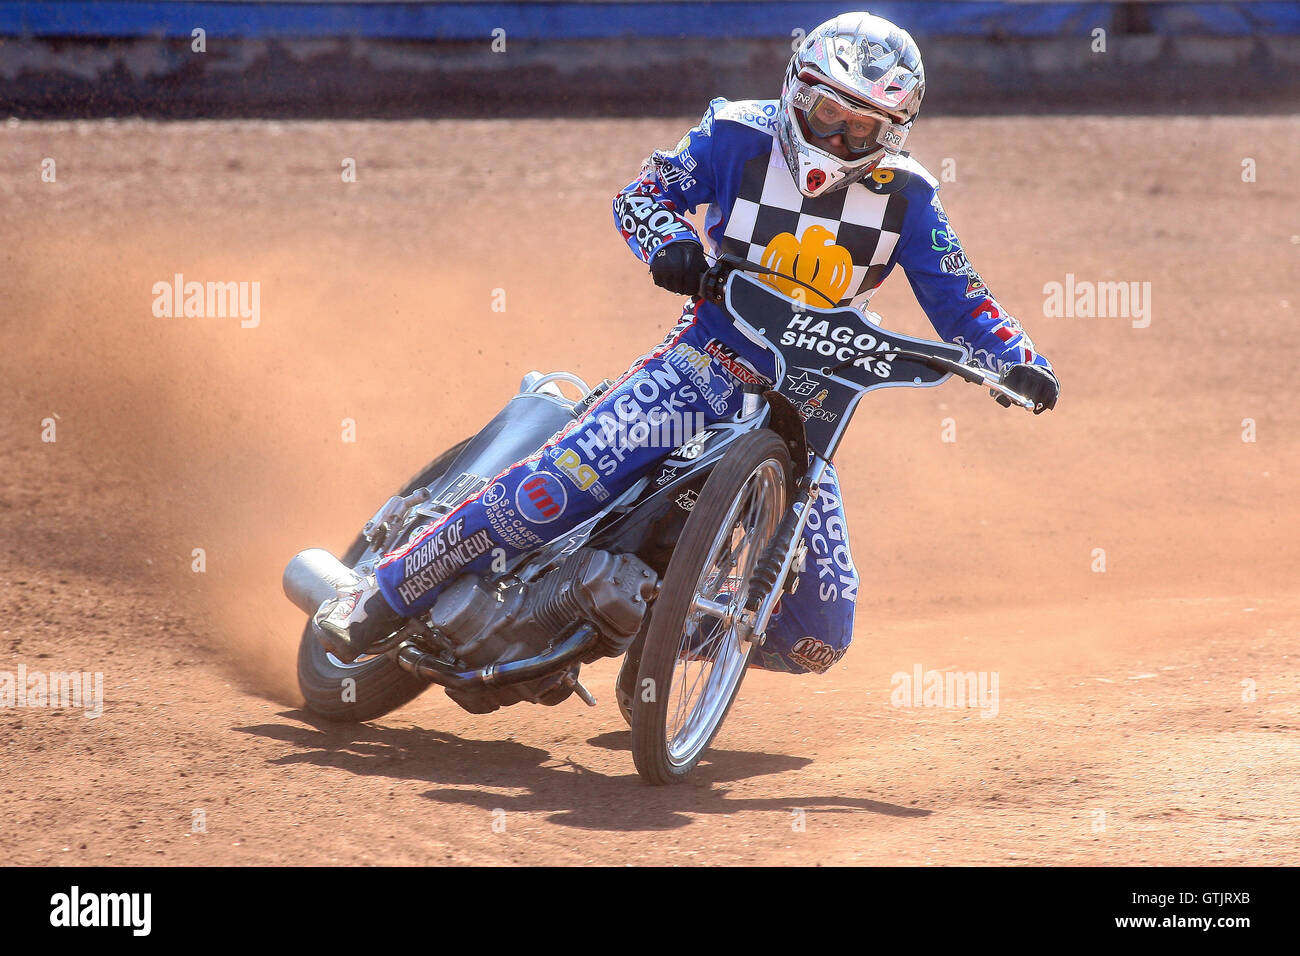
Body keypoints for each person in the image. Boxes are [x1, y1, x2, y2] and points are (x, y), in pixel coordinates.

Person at [315, 11, 1058, 695]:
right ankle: (380, 594)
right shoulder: (737, 132)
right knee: (552, 492)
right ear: (798, 88)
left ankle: (666, 634)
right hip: (701, 366)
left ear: (894, 130)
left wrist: (1015, 360)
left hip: (810, 411)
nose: (837, 137)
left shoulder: (911, 198)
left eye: (862, 126)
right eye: (828, 111)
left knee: (817, 637)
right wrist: (669, 245)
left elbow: (965, 301)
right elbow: (643, 192)